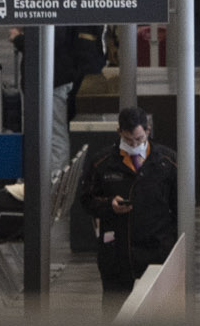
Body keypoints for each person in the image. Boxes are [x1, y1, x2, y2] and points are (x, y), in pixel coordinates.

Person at [76, 104, 180, 299]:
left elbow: (179, 206)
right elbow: (86, 200)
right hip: (117, 252)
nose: (134, 145)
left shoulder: (167, 162)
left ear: (148, 131)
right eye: (128, 140)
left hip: (156, 248)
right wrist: (109, 205)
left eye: (139, 139)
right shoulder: (102, 163)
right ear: (119, 132)